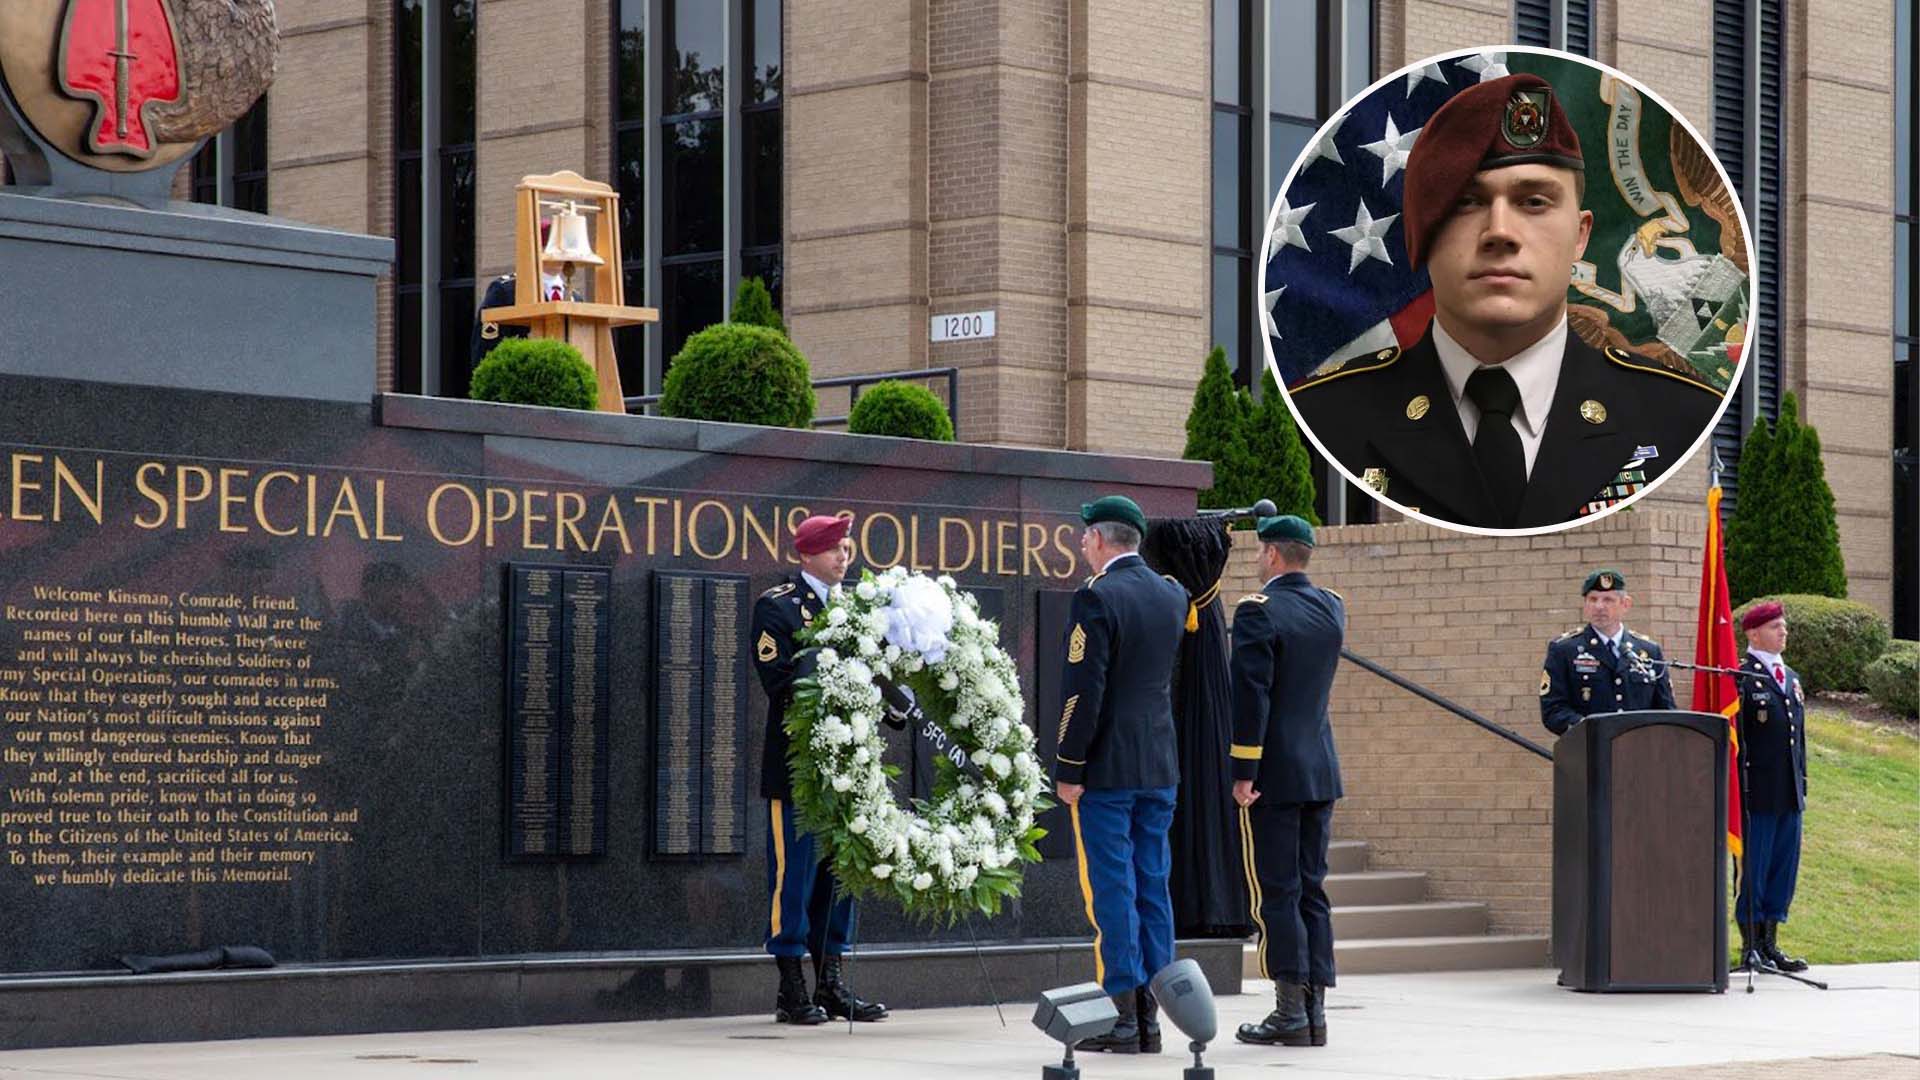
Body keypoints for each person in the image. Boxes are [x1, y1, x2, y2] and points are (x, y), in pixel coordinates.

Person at [1287, 73, 1724, 529]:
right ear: (1422, 233)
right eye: (1466, 203)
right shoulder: (1326, 417)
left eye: (1534, 202)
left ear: (1580, 236)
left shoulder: (1678, 416)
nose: (1500, 231)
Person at [1053, 495, 1188, 1055]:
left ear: (1103, 540)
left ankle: (1123, 1015)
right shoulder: (1172, 593)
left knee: (1112, 890)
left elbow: (1086, 690)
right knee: (1153, 886)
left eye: (1085, 536)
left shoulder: (1098, 596)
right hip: (1159, 763)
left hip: (1108, 769)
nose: (1082, 544)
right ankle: (1153, 1014)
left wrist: (1068, 765)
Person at [750, 514, 888, 1024]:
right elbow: (778, 680)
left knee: (840, 877)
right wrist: (835, 663)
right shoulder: (778, 607)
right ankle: (791, 988)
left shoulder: (856, 609)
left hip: (848, 769)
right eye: (834, 549)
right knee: (795, 877)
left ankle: (830, 980)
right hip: (798, 765)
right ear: (807, 554)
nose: (844, 557)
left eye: (848, 548)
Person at [1227, 516, 1346, 1048]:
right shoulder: (1332, 606)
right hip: (1320, 767)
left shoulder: (1258, 612)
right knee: (1311, 891)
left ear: (1272, 555)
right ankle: (1315, 1011)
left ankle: (1289, 1011)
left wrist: (1243, 771)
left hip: (1274, 773)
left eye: (1259, 553)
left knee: (1277, 892)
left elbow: (1252, 698)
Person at [1732, 601, 1809, 973]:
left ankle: (1771, 944)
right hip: (1756, 794)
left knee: (1782, 869)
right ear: (1753, 633)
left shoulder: (1790, 678)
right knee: (1755, 870)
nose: (1784, 632)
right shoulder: (1740, 676)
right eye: (1776, 626)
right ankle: (1750, 947)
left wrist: (1802, 784)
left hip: (1788, 793)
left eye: (1784, 626)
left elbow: (1800, 741)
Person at [1540, 569, 1675, 736]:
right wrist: (1589, 729)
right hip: (1589, 750)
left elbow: (1666, 710)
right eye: (1593, 599)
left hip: (1639, 751)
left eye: (1608, 600)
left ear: (1625, 604)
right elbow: (1553, 710)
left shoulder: (1648, 650)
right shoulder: (1564, 649)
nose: (1599, 606)